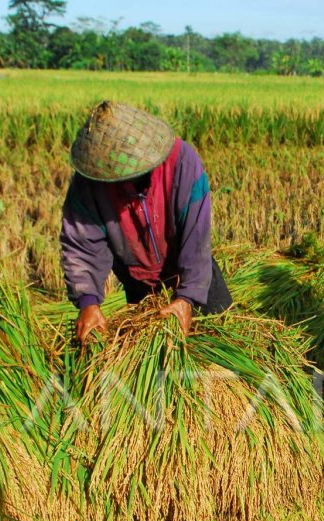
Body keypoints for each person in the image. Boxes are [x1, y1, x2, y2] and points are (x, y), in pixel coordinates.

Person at [60, 100, 232, 344]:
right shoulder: (89, 184)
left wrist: (188, 297)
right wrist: (88, 301)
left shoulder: (183, 162)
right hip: (139, 285)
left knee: (221, 350)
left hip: (193, 278)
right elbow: (82, 245)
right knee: (154, 370)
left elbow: (196, 239)